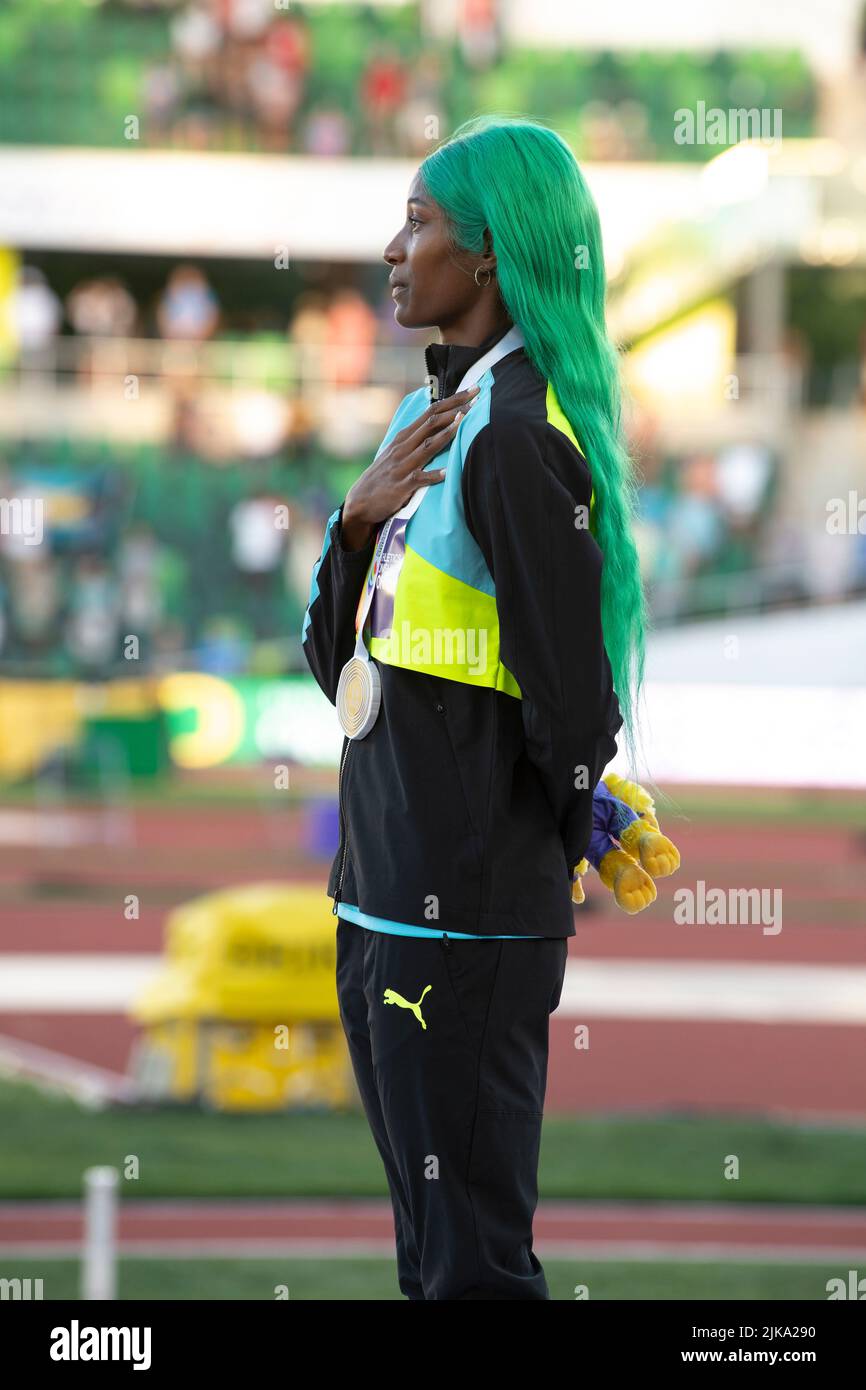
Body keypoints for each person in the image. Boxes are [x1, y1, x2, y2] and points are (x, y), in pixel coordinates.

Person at [301, 116, 646, 1301]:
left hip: (464, 923)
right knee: (430, 1261)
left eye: (418, 222)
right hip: (384, 897)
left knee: (471, 1271)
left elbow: (571, 700)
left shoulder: (513, 438)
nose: (393, 248)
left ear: (490, 253)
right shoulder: (423, 423)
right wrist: (349, 522)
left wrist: (543, 851)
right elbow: (333, 667)